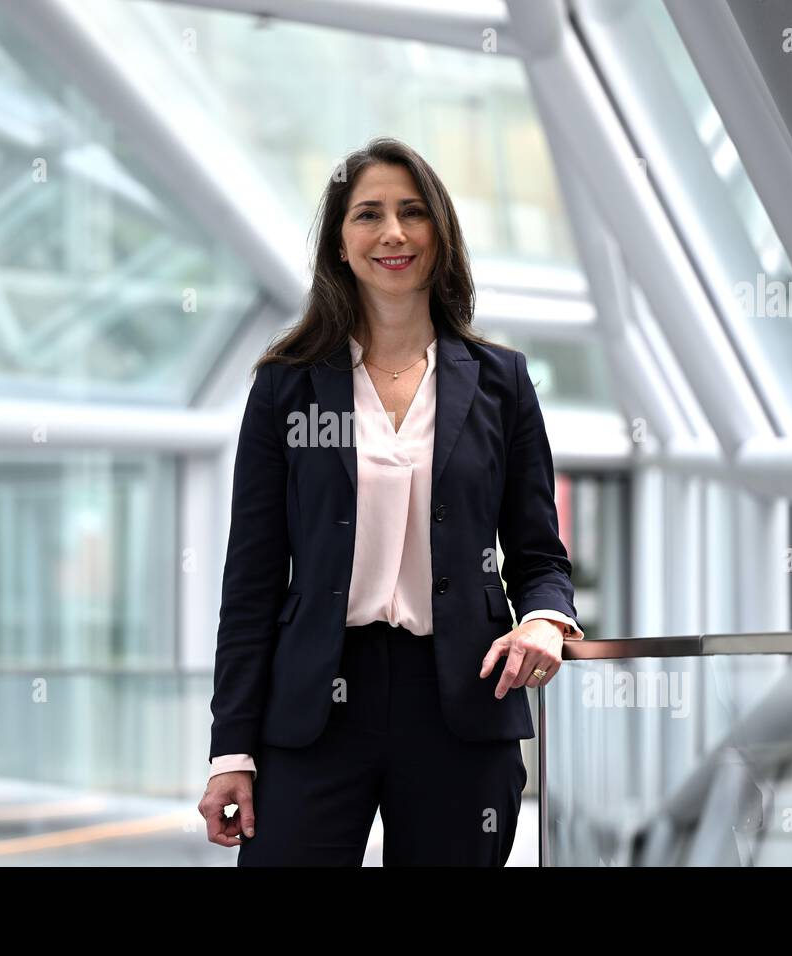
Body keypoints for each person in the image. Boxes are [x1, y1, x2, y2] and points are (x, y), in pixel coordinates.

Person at [196, 136, 582, 866]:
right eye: (368, 214)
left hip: (461, 699)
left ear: (440, 233)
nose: (393, 233)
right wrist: (231, 751)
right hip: (314, 707)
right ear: (340, 245)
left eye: (413, 212)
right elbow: (250, 581)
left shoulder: (502, 382)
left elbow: (540, 555)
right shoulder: (285, 387)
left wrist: (544, 619)